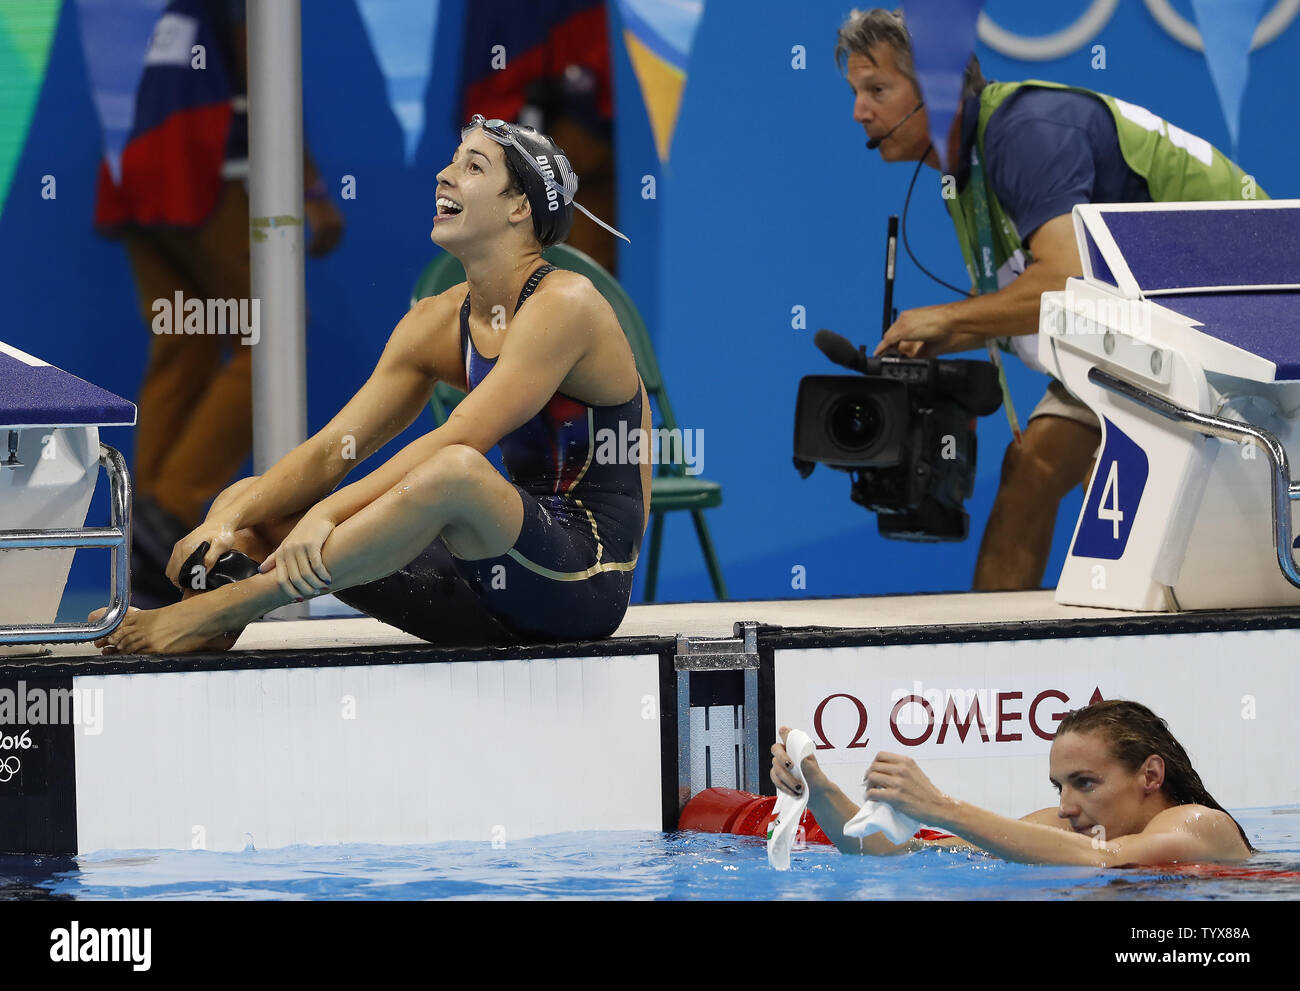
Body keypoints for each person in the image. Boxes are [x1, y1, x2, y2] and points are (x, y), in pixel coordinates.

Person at [90, 116, 648, 653]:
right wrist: (226, 519)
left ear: (521, 207)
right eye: (451, 162)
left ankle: (227, 608)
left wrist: (327, 515)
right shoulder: (434, 322)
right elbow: (333, 451)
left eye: (474, 167)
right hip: (483, 590)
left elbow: (462, 438)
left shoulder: (565, 305)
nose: (445, 175)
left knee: (456, 472)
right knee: (258, 497)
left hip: (578, 584)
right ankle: (208, 622)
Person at [835, 8, 1264, 591]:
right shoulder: (965, 167)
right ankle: (987, 658)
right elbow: (1021, 300)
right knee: (1031, 466)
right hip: (1143, 332)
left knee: (1113, 475)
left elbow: (1064, 281)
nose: (860, 109)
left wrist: (945, 317)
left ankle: (1166, 652)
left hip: (1240, 311)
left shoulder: (1025, 133)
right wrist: (936, 338)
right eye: (857, 91)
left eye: (877, 89)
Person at [95, 0, 344, 608]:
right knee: (274, 339)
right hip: (203, 172)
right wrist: (308, 186)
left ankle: (148, 531)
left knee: (186, 342)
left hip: (138, 175)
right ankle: (172, 512)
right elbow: (266, 71)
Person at [770, 699, 1253, 866]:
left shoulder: (1198, 826)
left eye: (1084, 783)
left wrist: (940, 807)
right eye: (1058, 786)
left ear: (1150, 775)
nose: (1065, 807)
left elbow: (1103, 861)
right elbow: (887, 853)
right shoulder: (1067, 833)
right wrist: (816, 787)